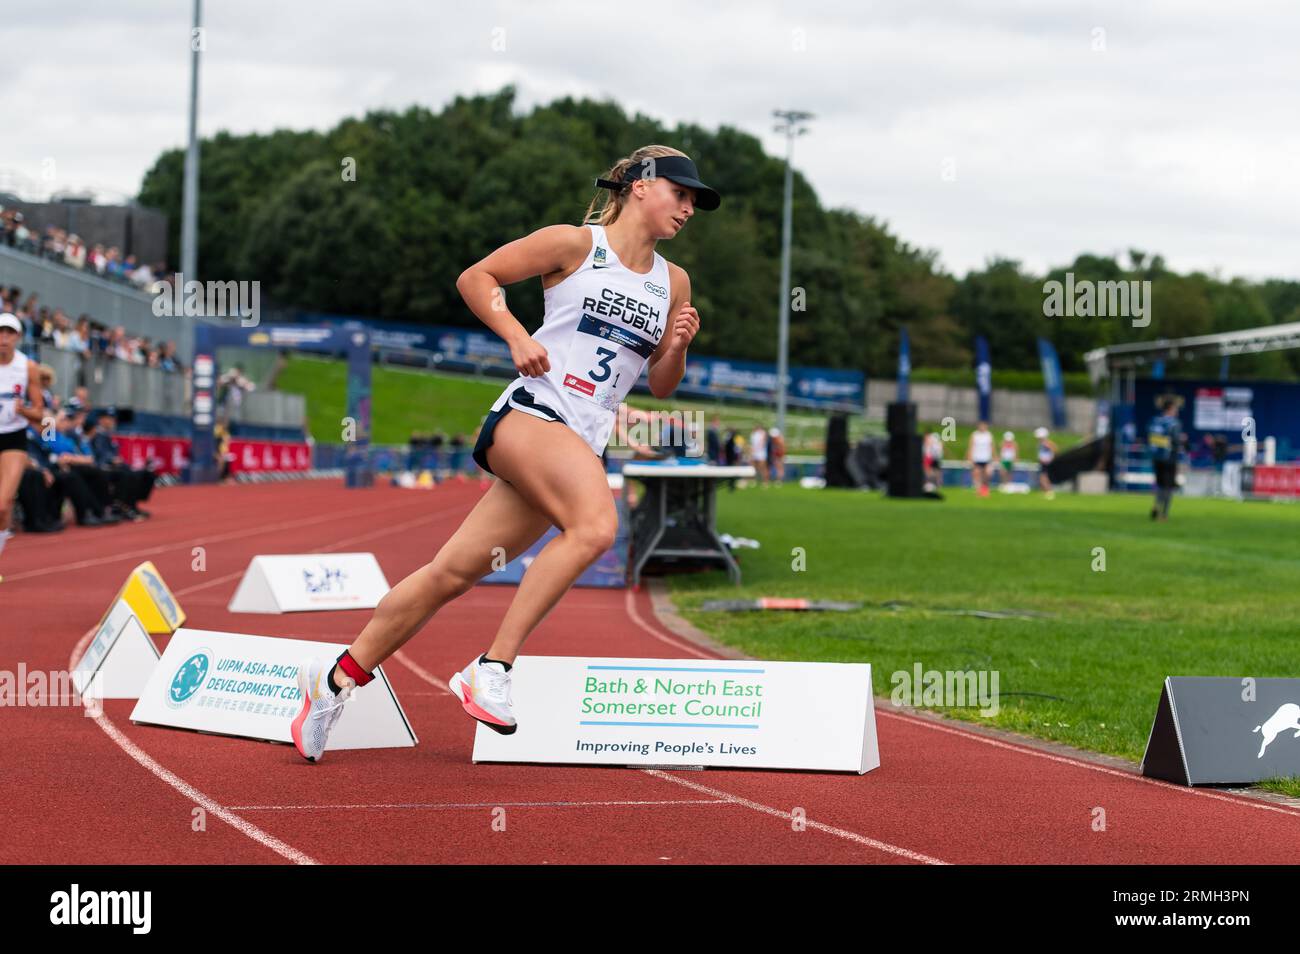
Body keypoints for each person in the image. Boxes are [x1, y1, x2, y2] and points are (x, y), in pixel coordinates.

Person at [290, 145, 719, 761]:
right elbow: (476, 278)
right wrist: (517, 335)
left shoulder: (674, 282)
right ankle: (492, 668)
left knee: (451, 574)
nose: (689, 208)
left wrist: (676, 348)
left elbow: (660, 383)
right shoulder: (573, 244)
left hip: (577, 443)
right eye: (680, 193)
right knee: (597, 526)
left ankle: (334, 682)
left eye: (696, 202)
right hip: (531, 417)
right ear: (641, 186)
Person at [0, 313, 47, 557]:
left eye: (9, 333)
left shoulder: (27, 367)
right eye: (0, 332)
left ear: (17, 337)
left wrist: (23, 410)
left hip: (13, 436)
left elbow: (42, 414)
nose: (3, 338)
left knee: (3, 504)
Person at [1147, 396, 1183, 521]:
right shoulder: (1173, 423)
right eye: (1175, 408)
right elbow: (1176, 440)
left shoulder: (1155, 421)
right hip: (1169, 458)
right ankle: (1164, 514)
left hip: (1156, 457)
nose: (1177, 411)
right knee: (1168, 486)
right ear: (1171, 409)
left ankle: (1156, 505)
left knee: (1160, 484)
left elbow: (1151, 438)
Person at [967, 420, 994, 497]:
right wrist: (970, 457)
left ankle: (985, 490)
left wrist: (995, 456)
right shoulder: (974, 435)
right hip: (977, 458)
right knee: (976, 474)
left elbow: (992, 446)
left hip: (986, 458)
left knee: (987, 474)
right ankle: (978, 490)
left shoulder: (989, 435)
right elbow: (971, 446)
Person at [1034, 426, 1057, 499]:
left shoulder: (1046, 443)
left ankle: (1049, 492)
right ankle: (1045, 492)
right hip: (1042, 462)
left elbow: (1054, 449)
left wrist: (1051, 458)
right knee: (1043, 478)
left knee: (1043, 478)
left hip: (1046, 463)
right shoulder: (1040, 443)